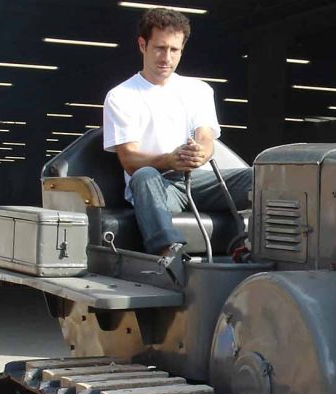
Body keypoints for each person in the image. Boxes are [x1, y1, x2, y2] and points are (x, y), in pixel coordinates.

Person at [103, 8, 252, 262]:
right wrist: (170, 160)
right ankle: (168, 254)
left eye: (174, 50)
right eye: (160, 48)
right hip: (158, 185)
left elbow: (206, 138)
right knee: (144, 176)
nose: (167, 58)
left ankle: (262, 245)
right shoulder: (121, 96)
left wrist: (200, 153)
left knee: (260, 177)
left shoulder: (198, 90)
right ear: (143, 45)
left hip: (197, 181)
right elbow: (129, 160)